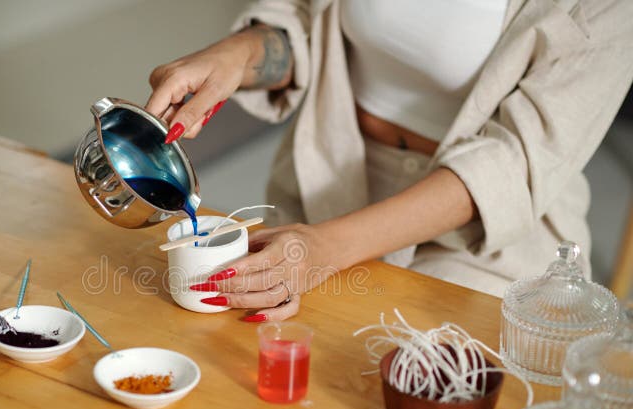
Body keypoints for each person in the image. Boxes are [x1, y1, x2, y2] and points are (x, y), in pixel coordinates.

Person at [146, 0, 633, 322]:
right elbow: (307, 18)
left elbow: (513, 163)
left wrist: (323, 250)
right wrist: (240, 54)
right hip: (330, 182)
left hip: (487, 236)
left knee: (422, 389)